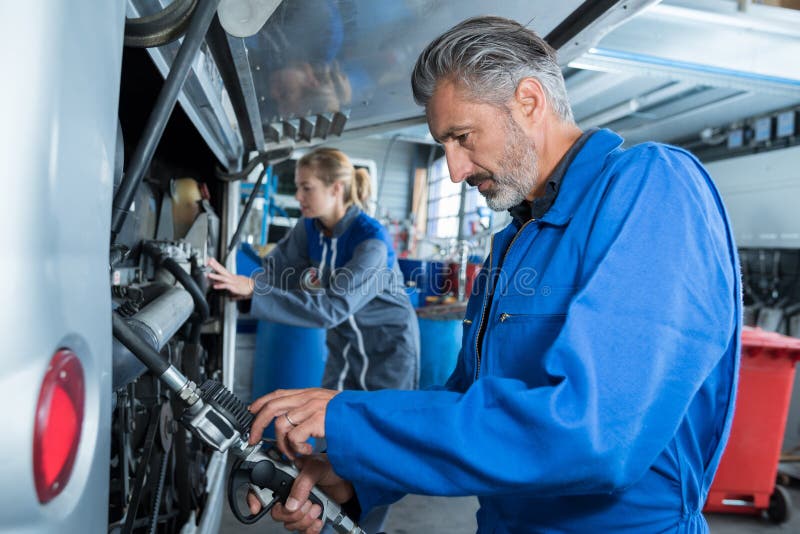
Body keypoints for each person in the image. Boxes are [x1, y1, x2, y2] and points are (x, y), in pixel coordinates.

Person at [243, 16, 742, 534]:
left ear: (528, 101)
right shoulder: (516, 240)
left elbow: (595, 434)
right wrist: (355, 478)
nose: (455, 170)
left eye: (462, 137)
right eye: (443, 145)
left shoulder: (651, 189)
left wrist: (352, 421)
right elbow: (466, 397)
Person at [207, 147, 419, 393]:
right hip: (343, 346)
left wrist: (255, 291)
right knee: (329, 422)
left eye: (306, 188)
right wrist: (235, 286)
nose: (298, 196)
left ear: (336, 189)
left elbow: (332, 307)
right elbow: (275, 273)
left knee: (379, 426)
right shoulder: (309, 229)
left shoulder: (371, 242)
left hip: (388, 349)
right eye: (298, 187)